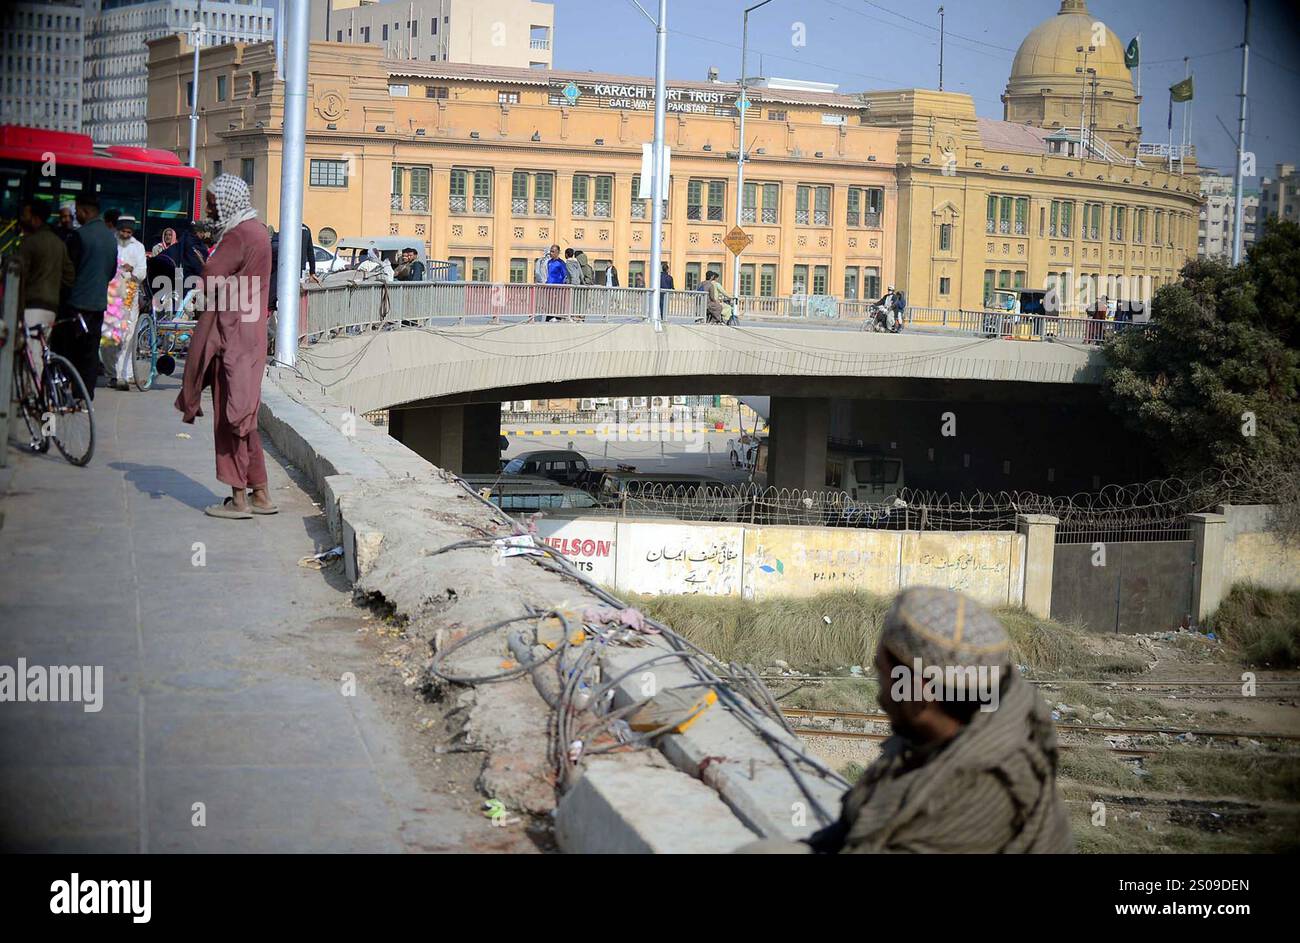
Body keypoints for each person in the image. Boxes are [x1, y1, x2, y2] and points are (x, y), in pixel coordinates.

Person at [739, 587, 1074, 854]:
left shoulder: (977, 799)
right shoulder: (934, 738)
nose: (880, 691)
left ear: (917, 691)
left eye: (882, 672)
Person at [175, 174, 275, 520]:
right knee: (246, 415)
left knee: (229, 415)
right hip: (253, 333)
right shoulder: (259, 230)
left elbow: (210, 276)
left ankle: (239, 498)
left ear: (228, 202)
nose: (209, 210)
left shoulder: (237, 235)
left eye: (214, 204)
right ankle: (260, 492)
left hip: (230, 332)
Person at [55, 193, 118, 400]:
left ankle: (66, 391)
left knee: (70, 349)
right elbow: (111, 271)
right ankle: (85, 395)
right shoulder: (110, 237)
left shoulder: (79, 236)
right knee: (90, 352)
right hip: (98, 304)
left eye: (77, 212)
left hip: (76, 304)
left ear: (83, 211)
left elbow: (68, 272)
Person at [16, 200, 74, 371]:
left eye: (25, 215)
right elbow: (69, 276)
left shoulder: (30, 243)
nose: (21, 218)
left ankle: (34, 393)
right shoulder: (58, 243)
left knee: (31, 353)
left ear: (35, 218)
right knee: (40, 349)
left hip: (31, 306)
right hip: (52, 307)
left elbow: (17, 275)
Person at [101, 216, 148, 390]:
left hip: (130, 294)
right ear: (118, 229)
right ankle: (112, 373)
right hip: (110, 294)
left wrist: (132, 269)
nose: (126, 234)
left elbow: (143, 271)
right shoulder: (109, 243)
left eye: (129, 232)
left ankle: (124, 374)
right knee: (109, 337)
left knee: (127, 336)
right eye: (123, 231)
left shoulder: (138, 247)